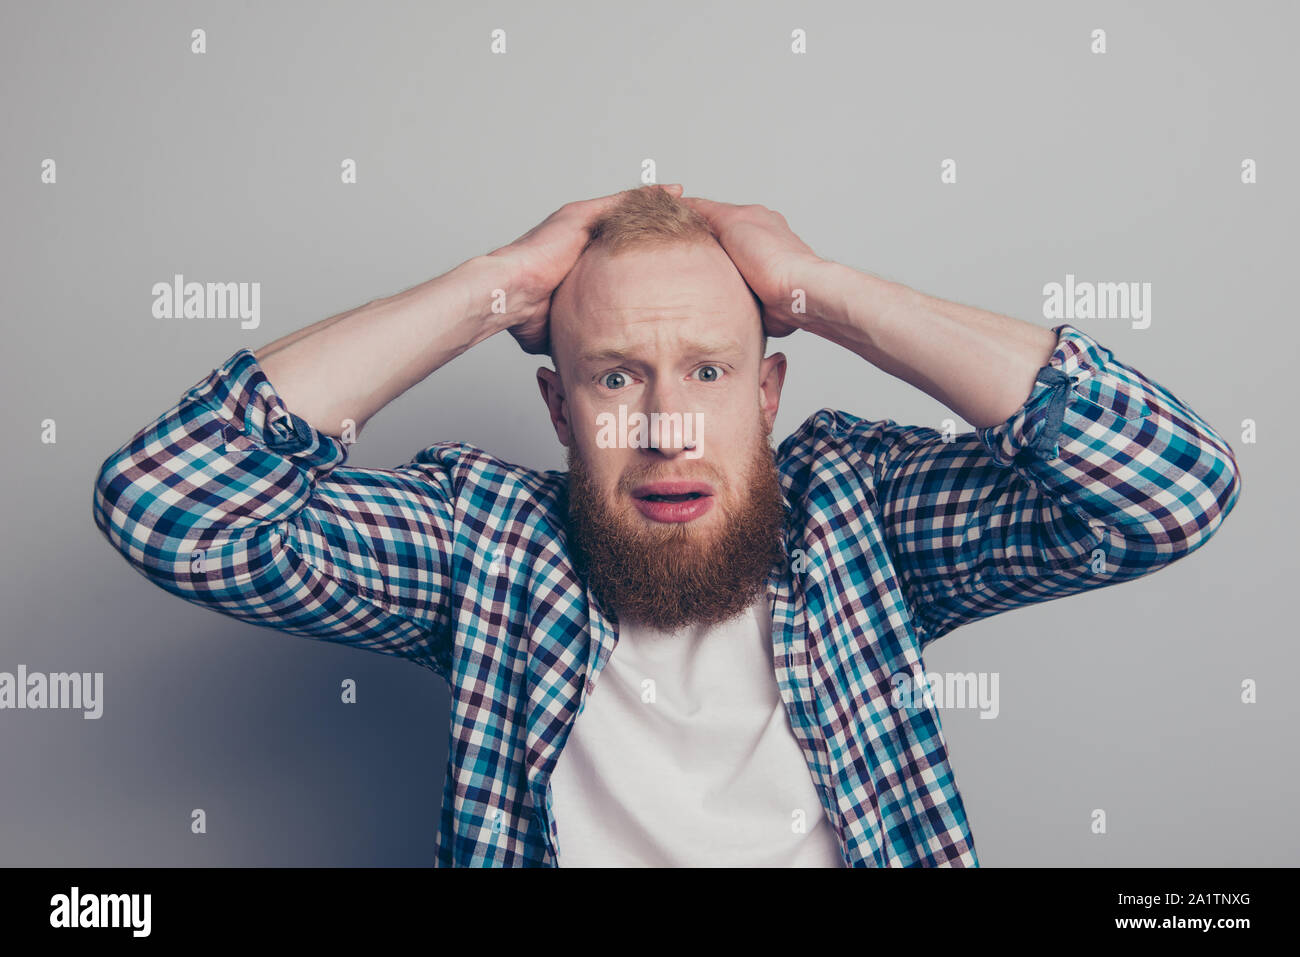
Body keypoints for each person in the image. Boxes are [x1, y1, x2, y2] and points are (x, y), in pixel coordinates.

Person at [92, 184, 1241, 867]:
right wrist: (490, 290)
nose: (668, 429)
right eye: (615, 378)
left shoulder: (861, 517)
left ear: (768, 393)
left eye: (707, 370)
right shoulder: (484, 548)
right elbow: (169, 504)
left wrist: (826, 290)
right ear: (558, 409)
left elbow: (1172, 489)